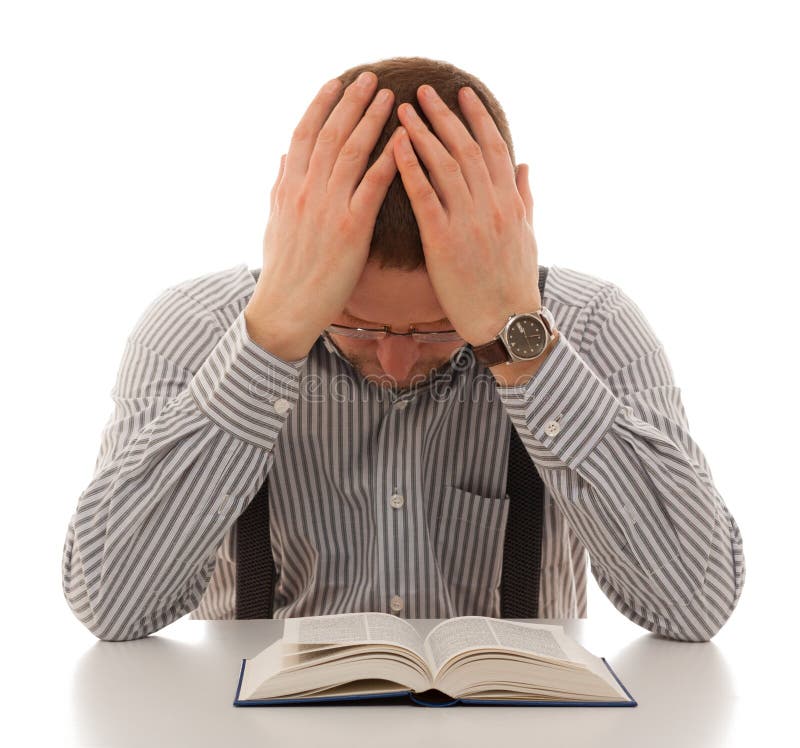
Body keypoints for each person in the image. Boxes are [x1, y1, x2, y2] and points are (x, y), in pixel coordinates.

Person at [61, 56, 745, 643]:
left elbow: (695, 605)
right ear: (289, 221)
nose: (393, 364)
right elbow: (110, 605)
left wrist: (516, 335)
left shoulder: (592, 327)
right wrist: (270, 338)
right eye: (354, 320)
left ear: (516, 223)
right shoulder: (194, 327)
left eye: (441, 326)